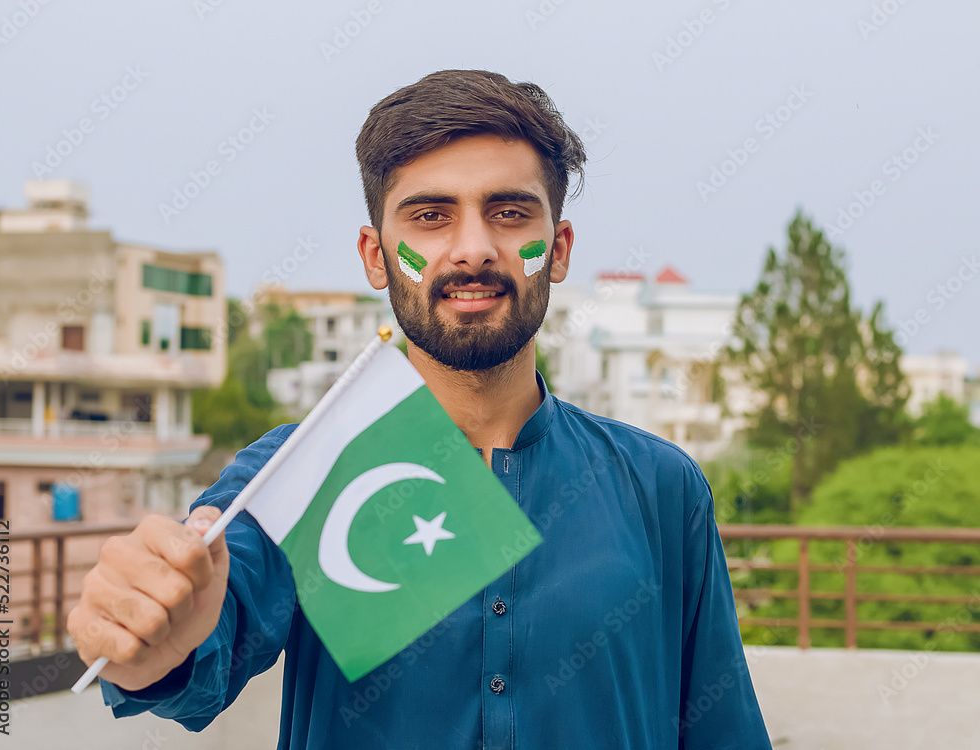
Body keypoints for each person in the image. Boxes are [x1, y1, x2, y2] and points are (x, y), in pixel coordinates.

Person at [68, 69, 772, 749]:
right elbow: (192, 653)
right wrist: (148, 638)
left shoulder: (662, 488)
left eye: (509, 212)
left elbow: (722, 730)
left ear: (556, 250)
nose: (472, 249)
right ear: (376, 257)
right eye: (431, 216)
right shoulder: (302, 470)